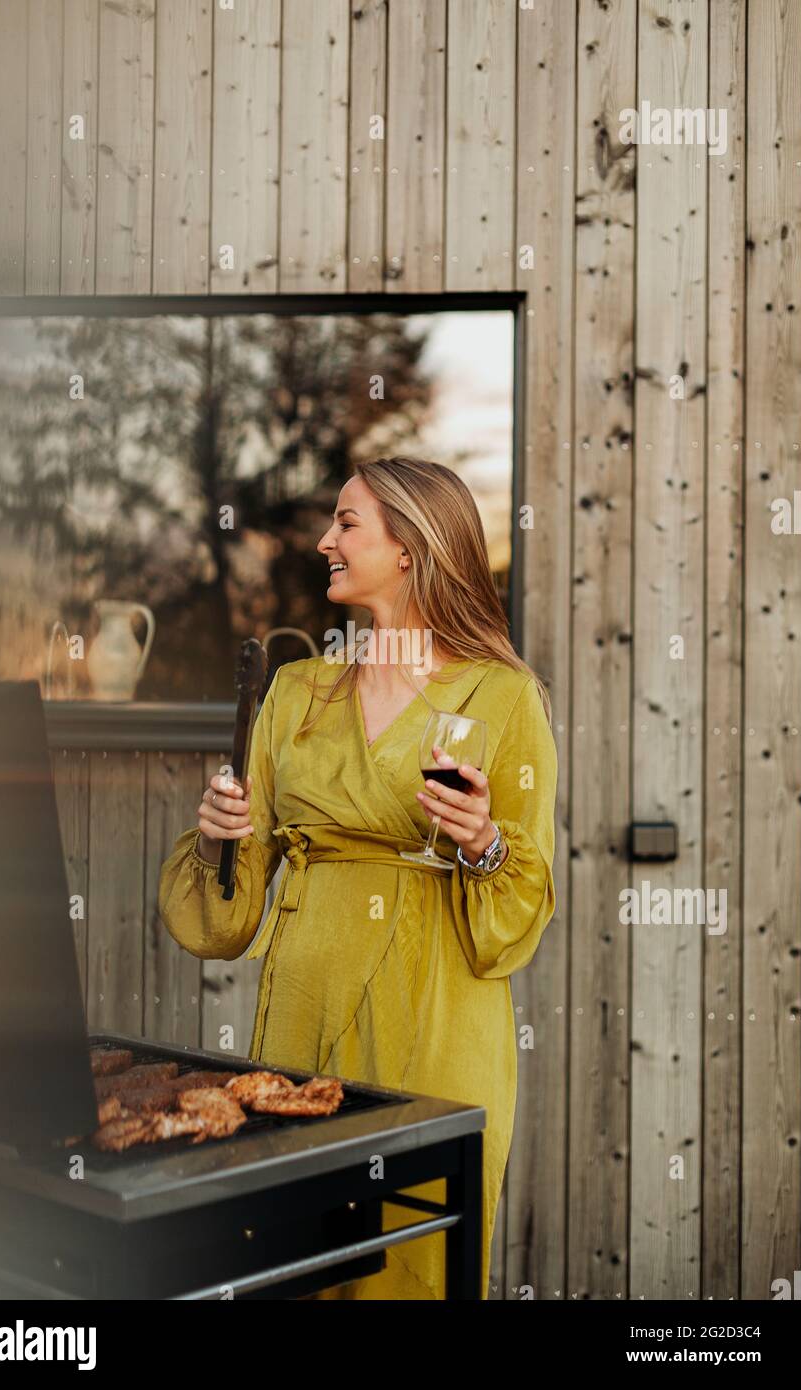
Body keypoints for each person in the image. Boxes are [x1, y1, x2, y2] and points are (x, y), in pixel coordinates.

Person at [158, 455, 558, 1299]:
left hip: (436, 1030)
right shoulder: (295, 693)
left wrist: (484, 839)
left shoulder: (504, 698)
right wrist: (217, 839)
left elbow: (515, 922)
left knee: (407, 1268)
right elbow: (224, 919)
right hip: (300, 1017)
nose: (322, 541)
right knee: (291, 1262)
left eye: (346, 523)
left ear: (409, 546)